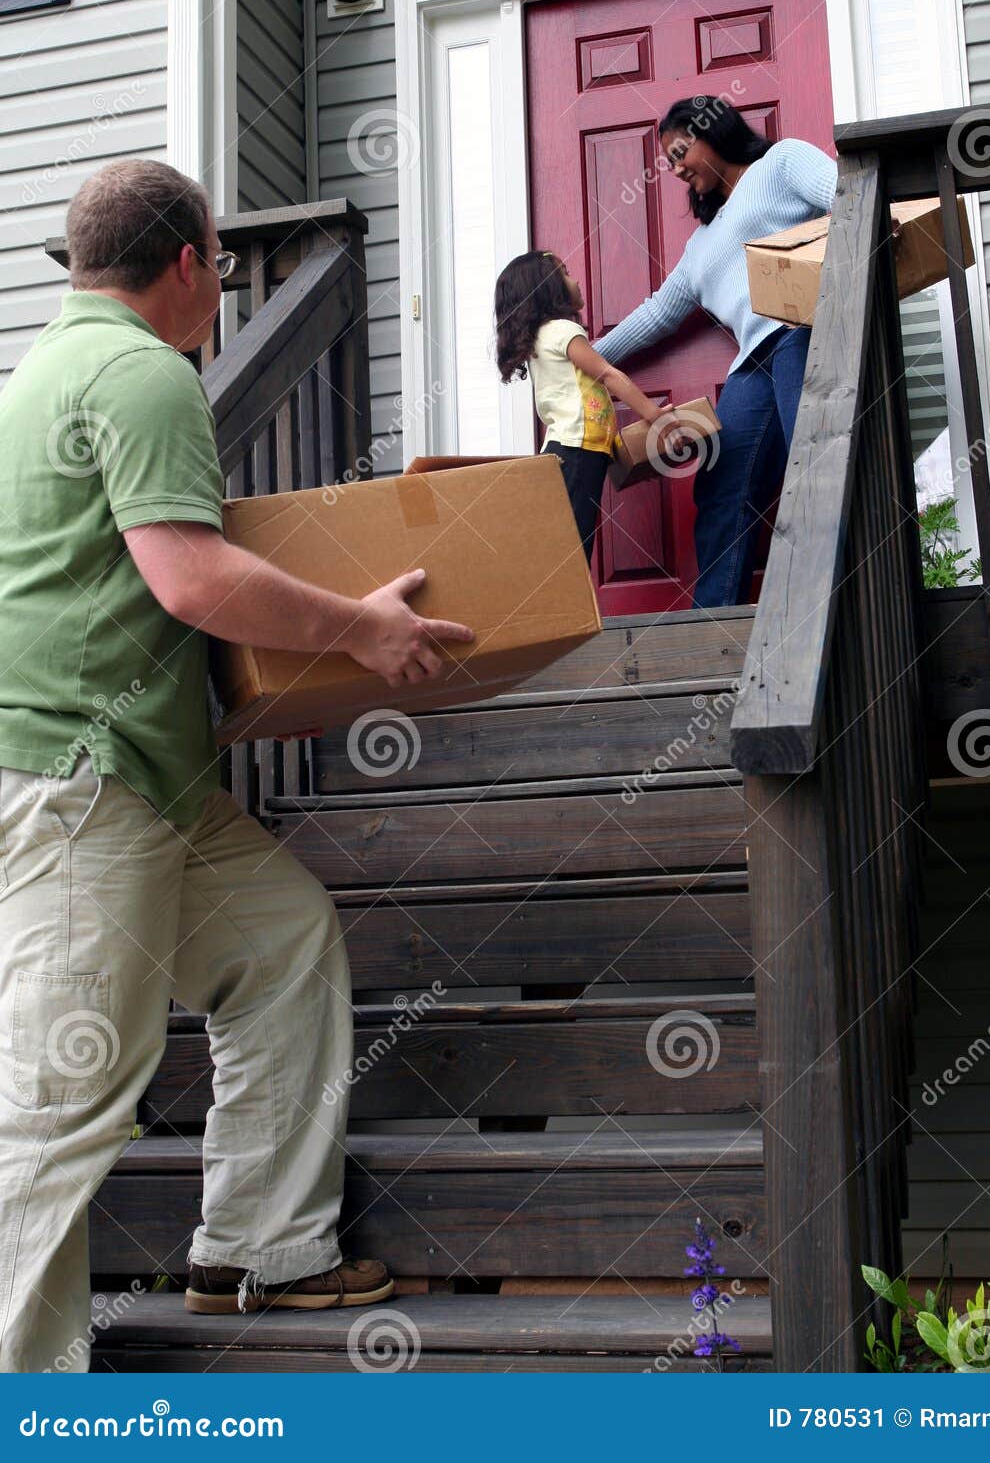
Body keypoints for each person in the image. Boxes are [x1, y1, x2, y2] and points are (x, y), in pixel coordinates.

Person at [0, 159, 474, 1371]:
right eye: (214, 264)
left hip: (144, 783)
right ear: (192, 265)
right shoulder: (140, 371)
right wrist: (362, 628)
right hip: (78, 784)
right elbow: (191, 578)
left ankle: (260, 1244)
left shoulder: (42, 370)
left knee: (281, 938)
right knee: (60, 1106)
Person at [593, 96, 839, 607]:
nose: (676, 168)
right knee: (721, 486)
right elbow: (658, 314)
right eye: (670, 162)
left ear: (715, 131)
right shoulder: (700, 246)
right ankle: (714, 628)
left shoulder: (781, 162)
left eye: (681, 151)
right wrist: (584, 355)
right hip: (752, 363)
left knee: (818, 466)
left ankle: (837, 596)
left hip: (802, 331)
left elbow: (846, 198)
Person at [494, 249, 687, 561]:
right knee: (575, 542)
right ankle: (571, 607)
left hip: (567, 449)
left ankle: (567, 604)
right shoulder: (563, 331)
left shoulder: (540, 338)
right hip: (575, 451)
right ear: (549, 288)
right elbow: (609, 374)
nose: (576, 281)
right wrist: (654, 415)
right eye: (566, 274)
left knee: (570, 538)